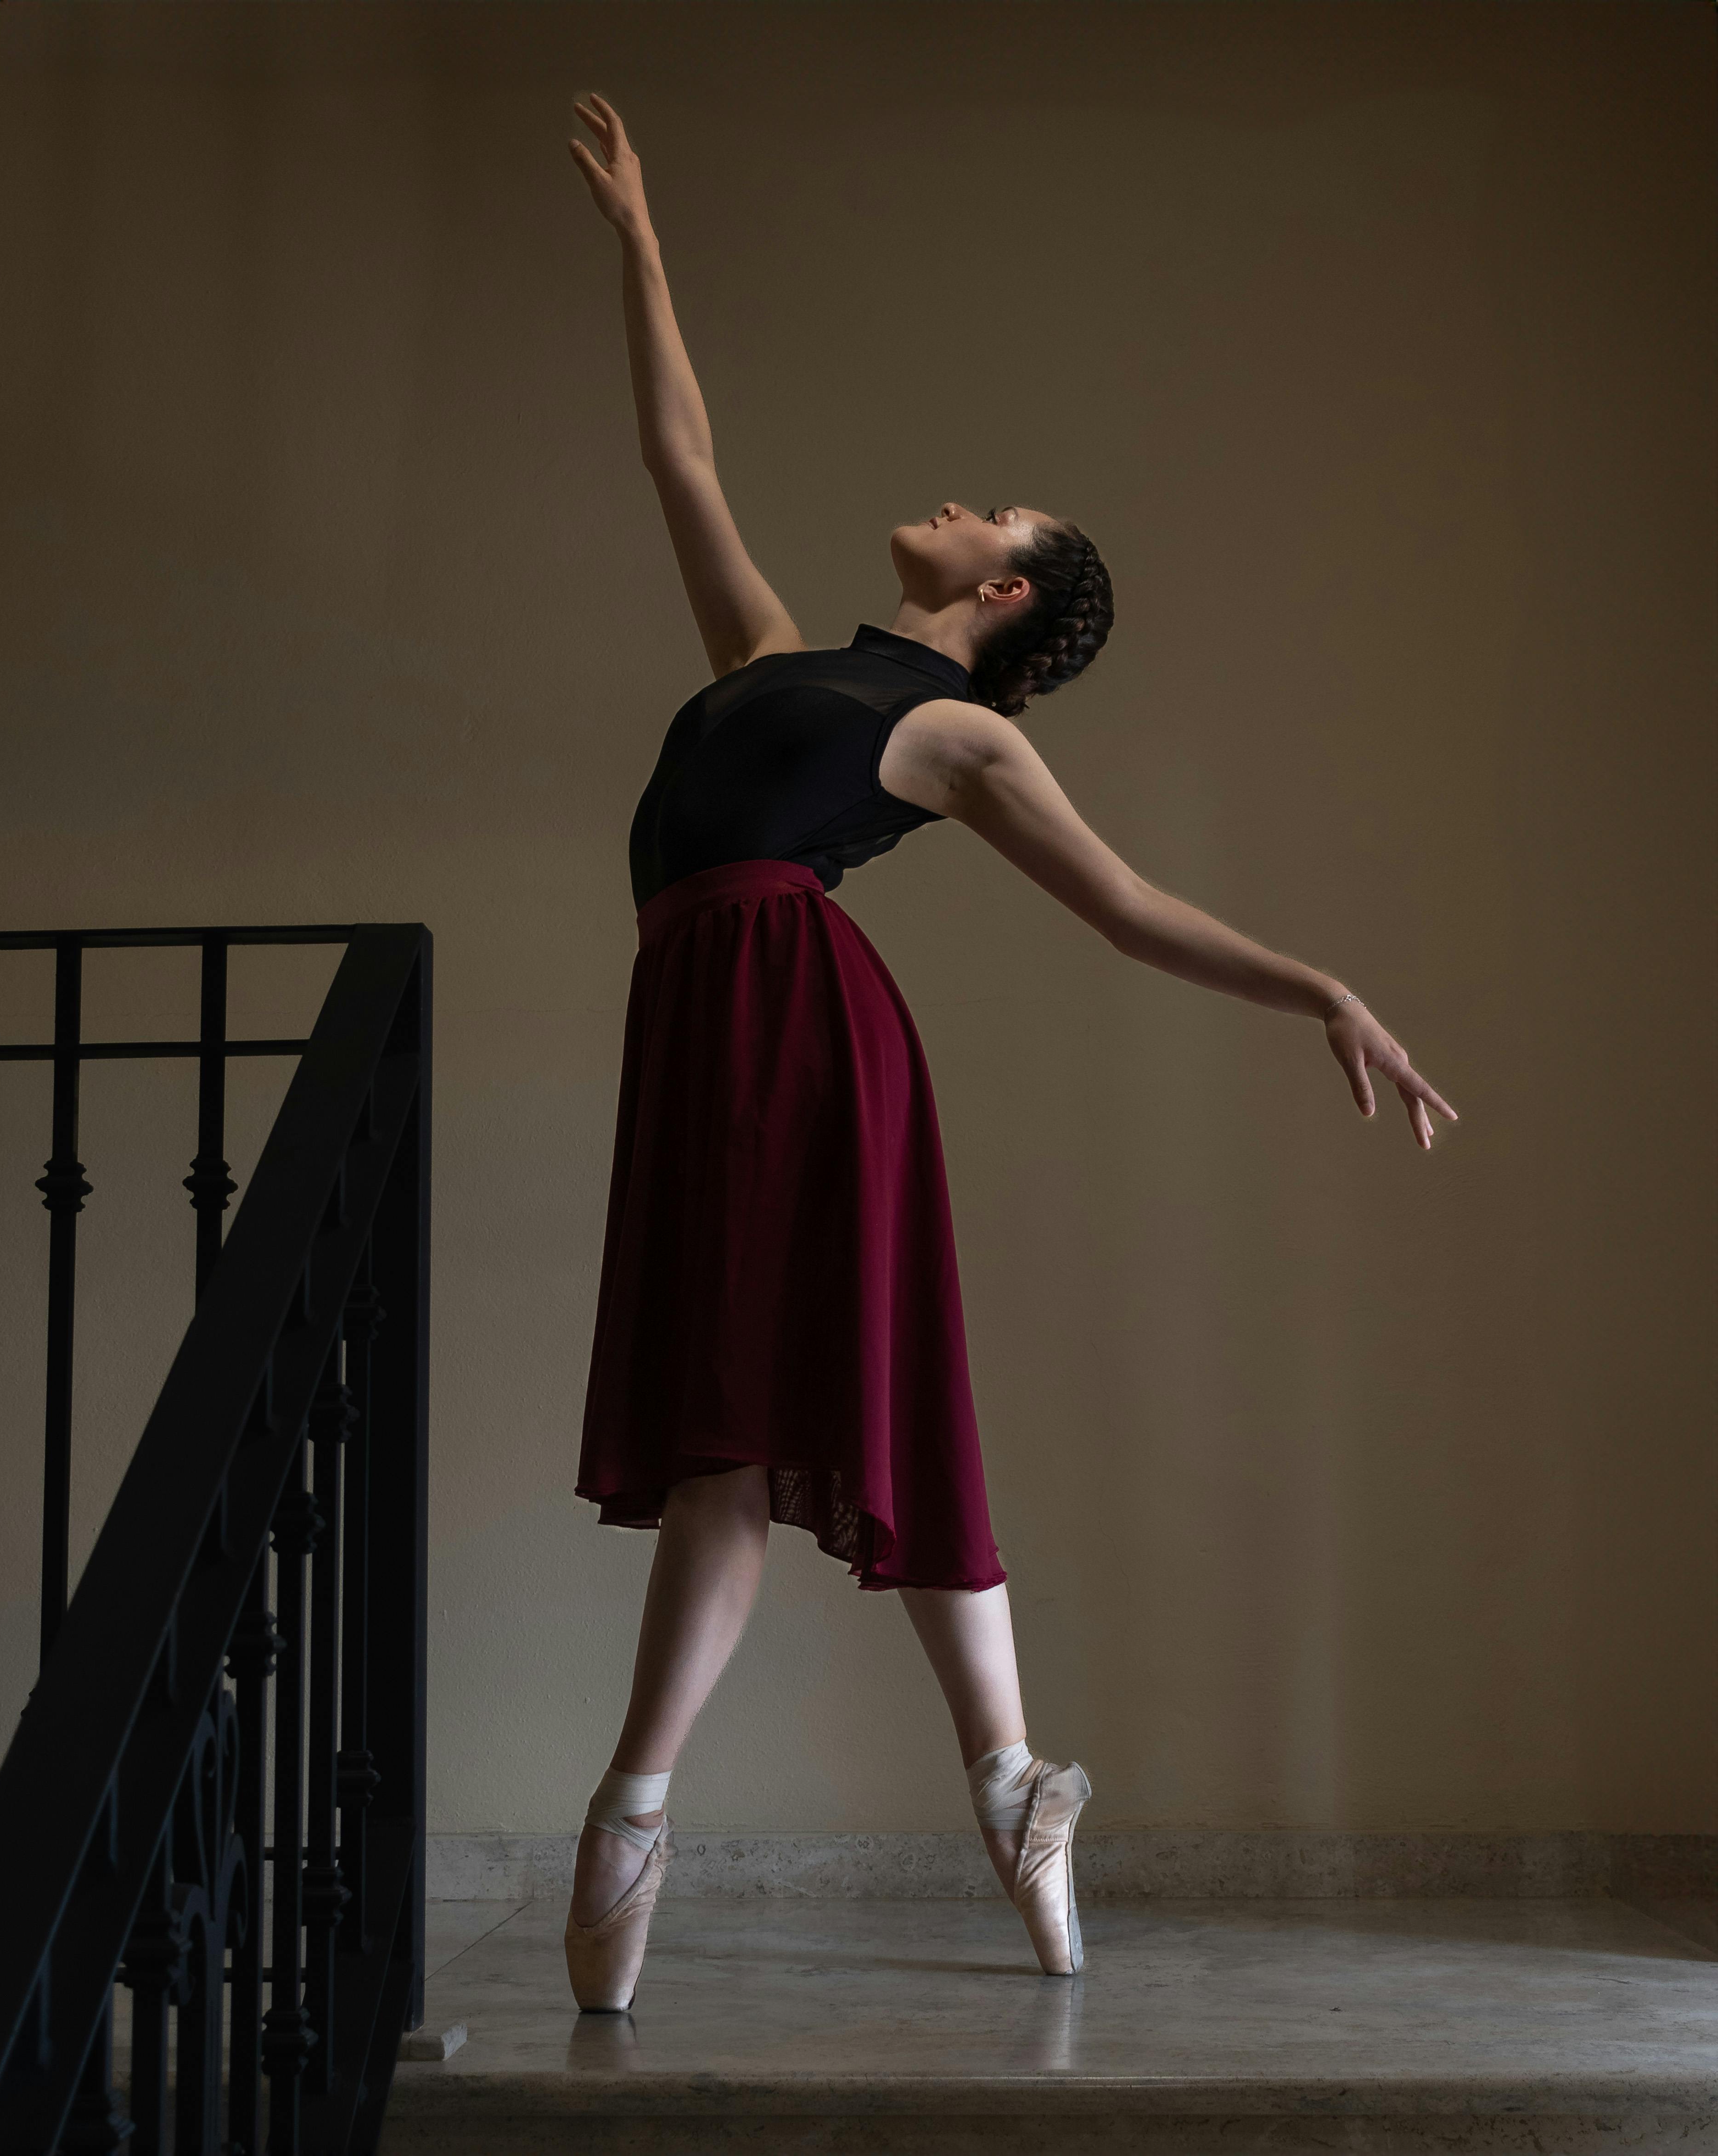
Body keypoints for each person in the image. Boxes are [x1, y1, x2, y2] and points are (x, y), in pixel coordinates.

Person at [562, 93, 1459, 2014]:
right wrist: (641, 243)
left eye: (993, 513)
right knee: (728, 1422)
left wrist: (1325, 989)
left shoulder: (956, 731)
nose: (959, 497)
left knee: (818, 1403)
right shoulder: (773, 657)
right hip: (701, 1026)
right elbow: (678, 454)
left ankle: (790, 1796)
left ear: (1006, 595)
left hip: (802, 1037)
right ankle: (833, 1790)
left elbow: (1131, 908)